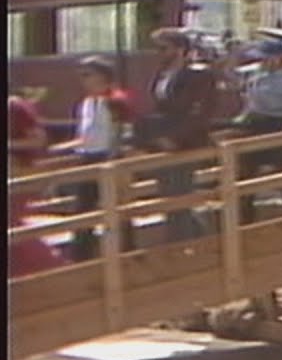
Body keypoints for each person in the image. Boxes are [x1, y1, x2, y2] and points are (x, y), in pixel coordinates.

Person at [50, 57, 138, 260]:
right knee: (84, 207)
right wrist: (62, 149)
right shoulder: (86, 103)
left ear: (102, 77)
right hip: (88, 157)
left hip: (109, 157)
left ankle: (128, 251)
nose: (83, 80)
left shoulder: (116, 101)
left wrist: (117, 158)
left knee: (118, 207)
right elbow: (85, 136)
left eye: (88, 75)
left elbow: (124, 131)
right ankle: (81, 255)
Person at [137, 27, 219, 243]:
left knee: (180, 194)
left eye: (164, 48)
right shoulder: (161, 77)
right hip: (161, 143)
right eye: (157, 49)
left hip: (185, 142)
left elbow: (200, 112)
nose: (159, 53)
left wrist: (176, 138)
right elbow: (159, 110)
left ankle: (183, 243)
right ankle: (193, 240)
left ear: (181, 50)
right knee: (168, 194)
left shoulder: (199, 75)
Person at [230, 39, 282, 224]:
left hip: (275, 125)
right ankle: (244, 221)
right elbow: (229, 74)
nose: (264, 61)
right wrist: (236, 53)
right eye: (262, 58)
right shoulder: (255, 73)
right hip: (253, 125)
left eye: (268, 58)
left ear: (279, 58)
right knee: (245, 174)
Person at [8, 92, 68, 277]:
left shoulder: (15, 107)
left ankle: (50, 266)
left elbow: (38, 139)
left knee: (12, 221)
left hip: (18, 171)